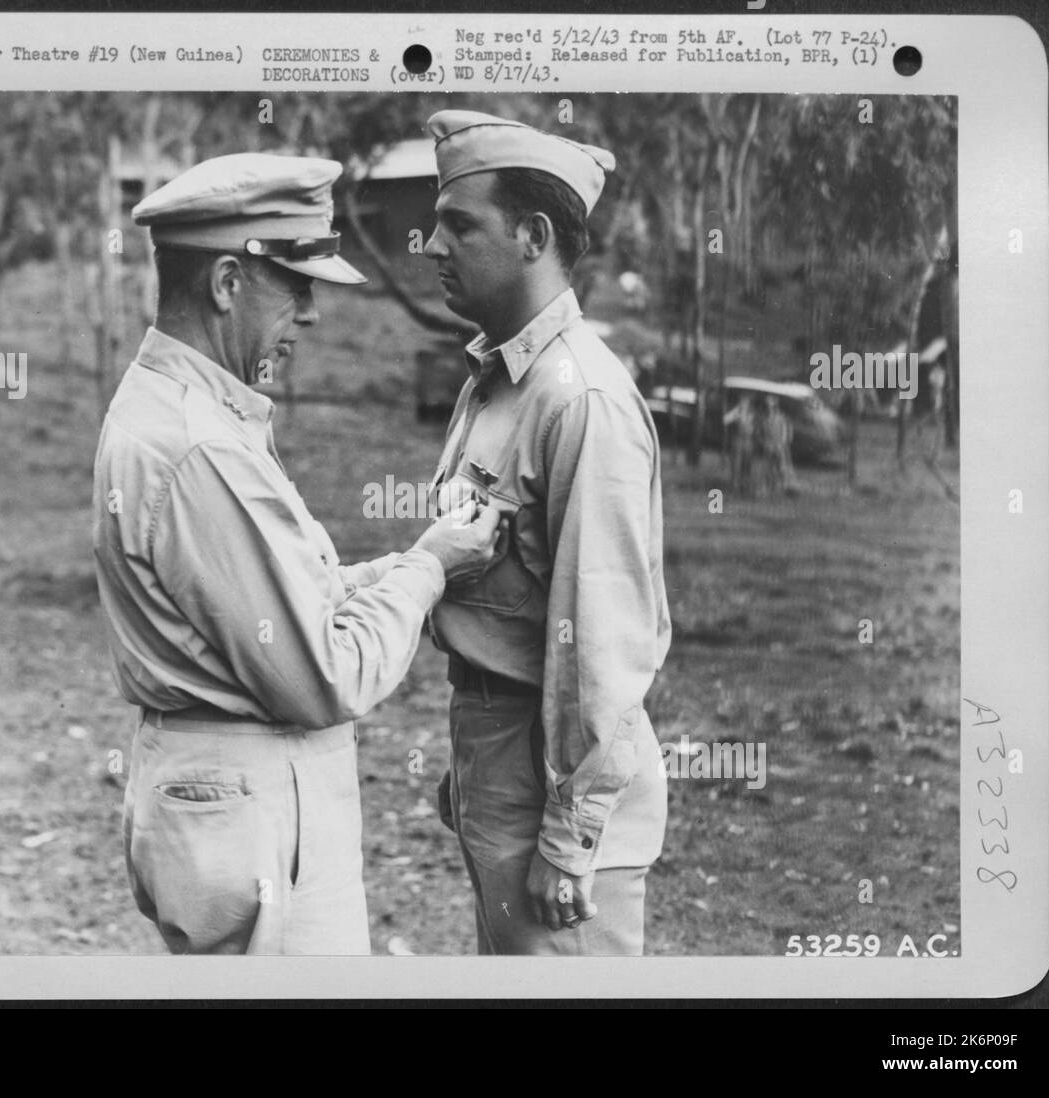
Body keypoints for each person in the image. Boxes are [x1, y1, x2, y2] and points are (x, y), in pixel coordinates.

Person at [92, 152, 500, 956]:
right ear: (226, 284)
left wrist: (413, 557)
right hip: (254, 806)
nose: (310, 313)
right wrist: (429, 572)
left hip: (223, 790)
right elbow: (324, 675)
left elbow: (278, 604)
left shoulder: (181, 408)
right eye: (296, 284)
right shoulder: (200, 446)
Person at [421, 110, 672, 955]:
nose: (431, 245)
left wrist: (567, 838)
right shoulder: (496, 378)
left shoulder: (580, 399)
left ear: (532, 236)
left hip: (554, 791)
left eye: (459, 225)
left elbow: (602, 638)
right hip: (506, 758)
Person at [757, 394, 794, 495]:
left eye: (771, 404)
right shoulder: (763, 419)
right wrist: (764, 443)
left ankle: (784, 487)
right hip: (768, 446)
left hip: (779, 446)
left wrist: (783, 443)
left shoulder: (782, 417)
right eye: (767, 405)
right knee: (768, 468)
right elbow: (759, 433)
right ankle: (770, 487)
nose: (769, 407)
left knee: (781, 467)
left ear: (775, 405)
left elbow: (786, 431)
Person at [724, 394, 756, 496]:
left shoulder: (752, 414)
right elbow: (725, 420)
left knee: (747, 466)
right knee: (736, 465)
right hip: (737, 441)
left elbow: (755, 429)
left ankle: (745, 488)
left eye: (746, 402)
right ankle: (735, 488)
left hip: (749, 442)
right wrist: (736, 412)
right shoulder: (736, 413)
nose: (744, 404)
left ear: (749, 404)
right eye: (742, 402)